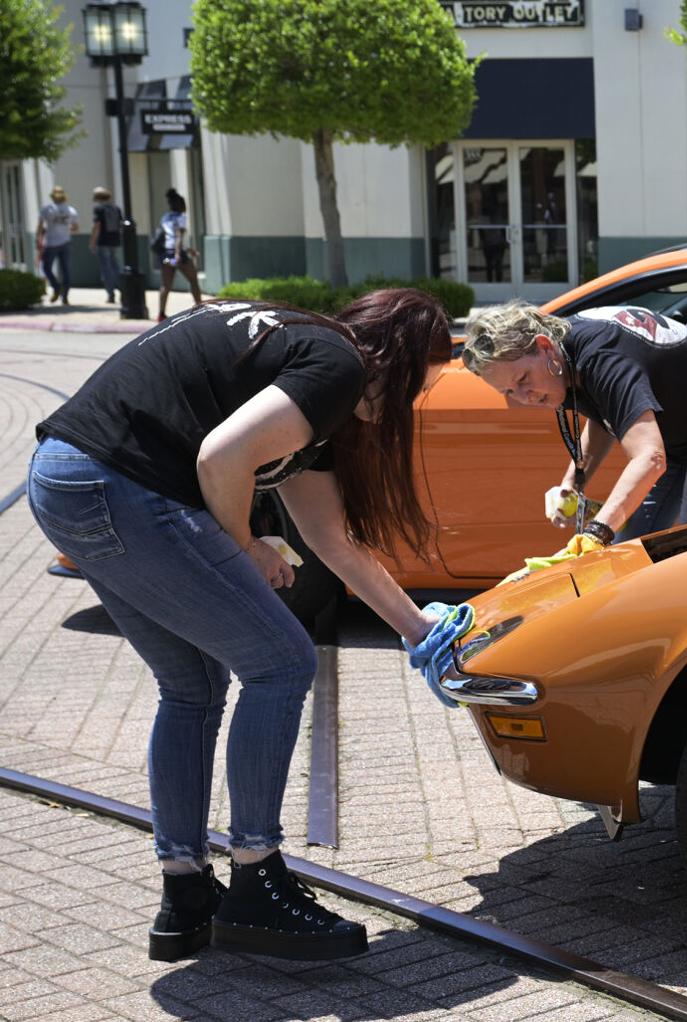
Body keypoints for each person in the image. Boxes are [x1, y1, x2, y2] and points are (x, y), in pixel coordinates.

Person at [28, 289, 460, 962]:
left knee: (192, 685)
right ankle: (256, 879)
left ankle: (186, 895)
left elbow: (331, 540)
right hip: (117, 483)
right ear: (395, 360)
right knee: (284, 662)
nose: (404, 408)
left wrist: (418, 631)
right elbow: (221, 458)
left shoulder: (300, 371)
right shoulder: (336, 367)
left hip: (64, 479)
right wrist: (244, 549)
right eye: (414, 389)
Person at [461, 302, 687, 548]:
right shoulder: (557, 363)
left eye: (523, 380)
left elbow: (651, 458)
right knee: (630, 545)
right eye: (509, 392)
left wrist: (596, 533)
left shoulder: (601, 359)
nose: (523, 398)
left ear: (543, 347)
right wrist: (573, 482)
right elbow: (604, 415)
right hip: (674, 428)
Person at [157, 188, 203, 320]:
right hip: (176, 254)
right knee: (193, 280)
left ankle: (161, 314)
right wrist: (178, 254)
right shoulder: (181, 217)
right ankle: (199, 308)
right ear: (182, 205)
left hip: (166, 253)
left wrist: (188, 250)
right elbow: (177, 236)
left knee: (165, 285)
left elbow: (168, 237)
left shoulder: (165, 217)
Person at [37, 186, 79, 305]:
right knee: (66, 270)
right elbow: (75, 228)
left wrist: (38, 239)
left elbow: (40, 226)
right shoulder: (71, 210)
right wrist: (65, 229)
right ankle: (65, 296)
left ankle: (56, 286)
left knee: (46, 268)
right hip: (66, 242)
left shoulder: (47, 209)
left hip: (51, 243)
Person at [91, 186, 124, 305]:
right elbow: (120, 225)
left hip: (103, 241)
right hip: (114, 241)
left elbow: (97, 226)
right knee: (115, 267)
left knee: (106, 269)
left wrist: (92, 242)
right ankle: (123, 290)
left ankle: (111, 294)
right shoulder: (116, 208)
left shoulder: (99, 209)